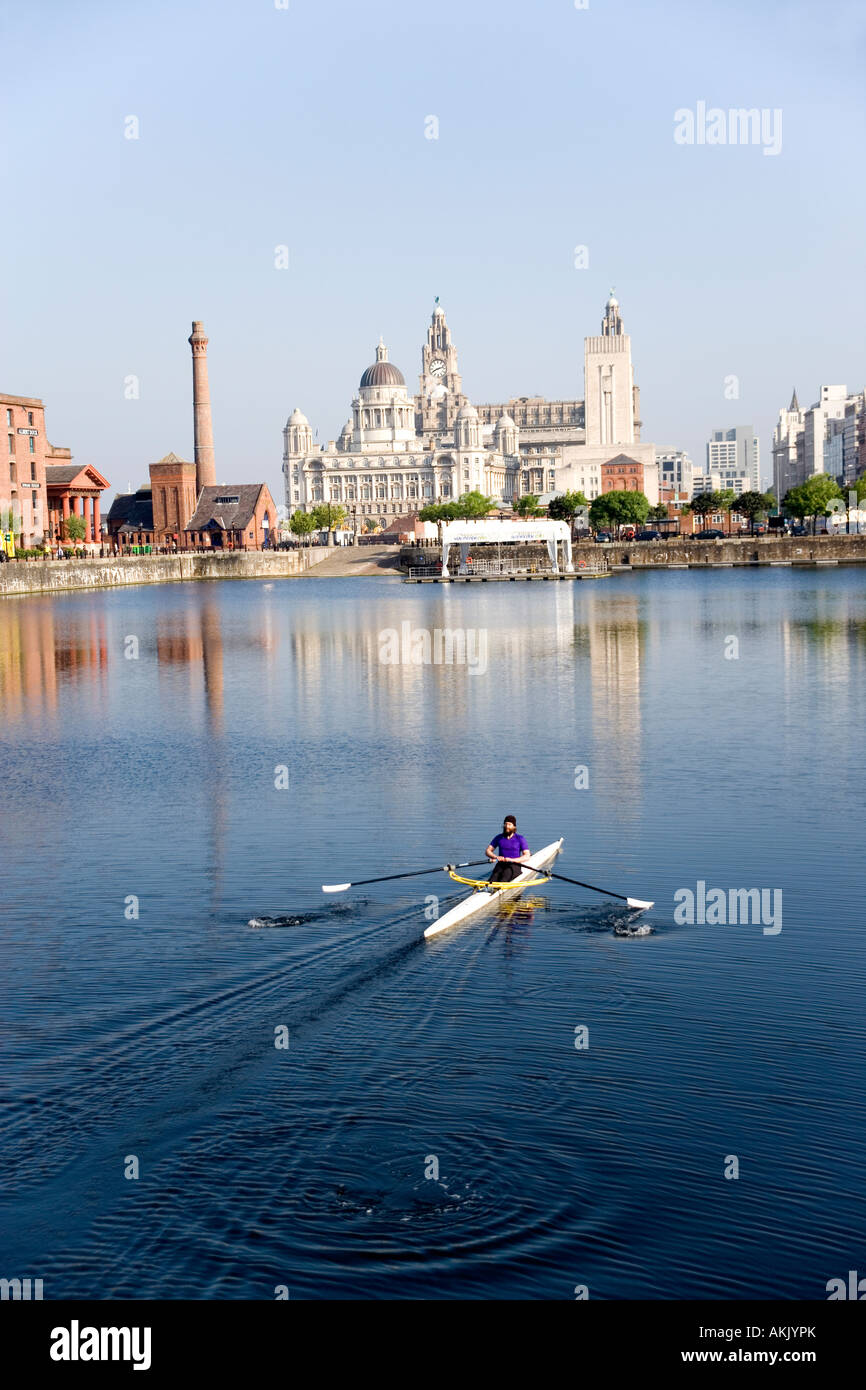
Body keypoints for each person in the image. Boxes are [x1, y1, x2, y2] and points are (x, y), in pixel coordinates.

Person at [486, 816, 530, 883]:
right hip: (501, 865)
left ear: (514, 827)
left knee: (504, 877)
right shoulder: (498, 837)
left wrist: (512, 860)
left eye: (509, 824)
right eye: (506, 824)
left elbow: (527, 856)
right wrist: (496, 857)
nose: (507, 826)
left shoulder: (520, 838)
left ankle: (499, 890)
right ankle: (486, 890)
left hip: (514, 865)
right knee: (493, 878)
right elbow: (488, 851)